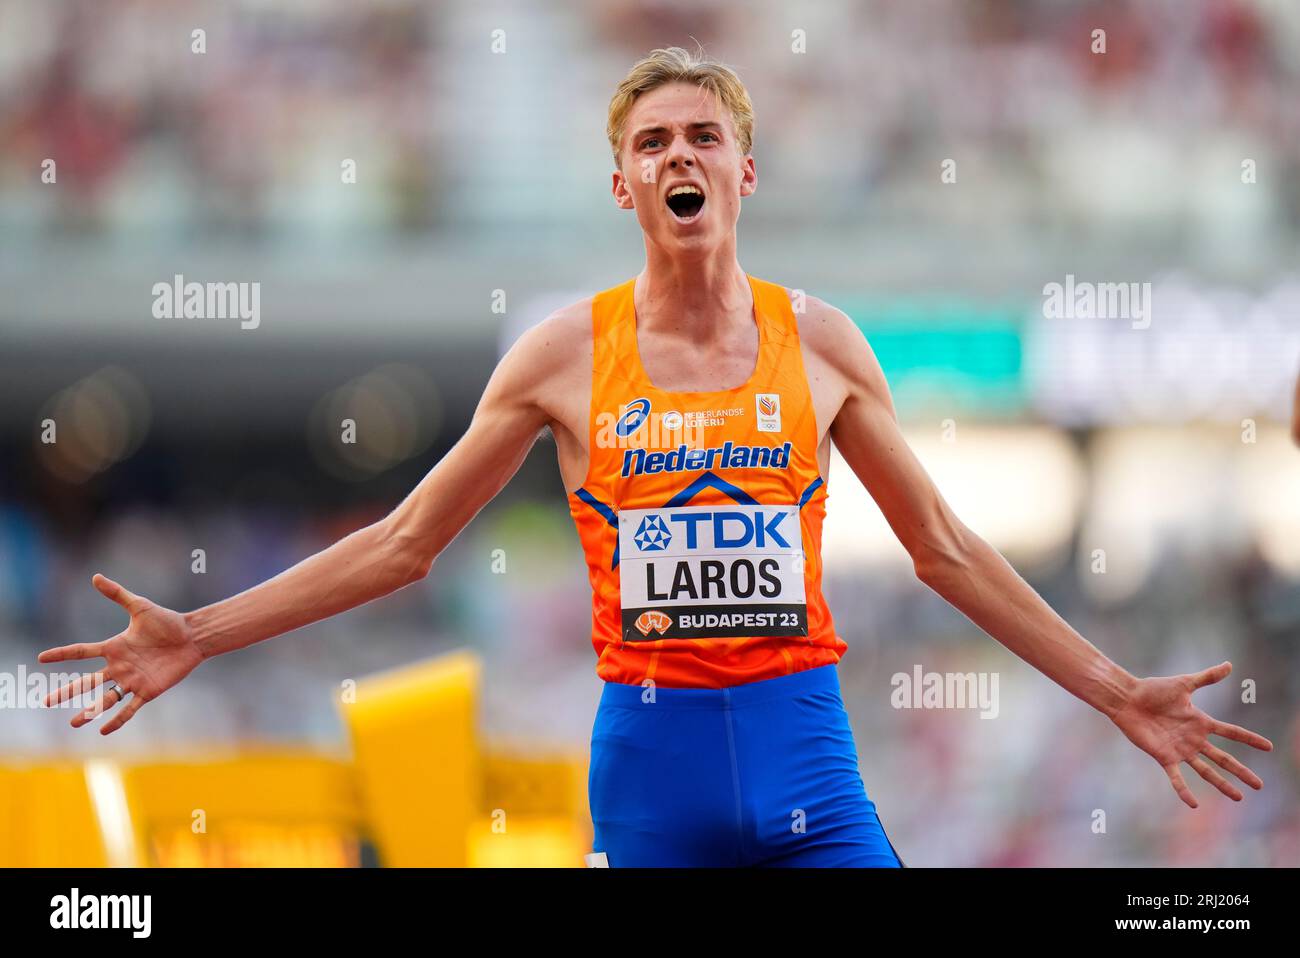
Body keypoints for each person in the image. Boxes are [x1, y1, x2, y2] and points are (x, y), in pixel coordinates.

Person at [38, 47, 1272, 867]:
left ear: (745, 169)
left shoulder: (824, 347)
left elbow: (943, 552)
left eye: (700, 136)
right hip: (650, 769)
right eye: (651, 144)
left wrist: (1118, 692)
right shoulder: (560, 358)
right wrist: (200, 634)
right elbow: (404, 545)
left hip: (807, 758)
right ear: (622, 183)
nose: (677, 157)